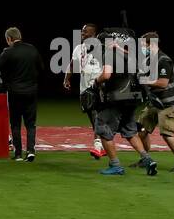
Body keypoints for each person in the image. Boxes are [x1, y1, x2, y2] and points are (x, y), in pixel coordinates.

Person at [91, 28, 154, 176]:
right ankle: (147, 159)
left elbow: (106, 75)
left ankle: (115, 165)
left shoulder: (109, 53)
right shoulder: (128, 54)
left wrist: (95, 82)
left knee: (102, 128)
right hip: (132, 98)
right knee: (130, 131)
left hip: (116, 98)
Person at [135, 31, 174, 172]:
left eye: (143, 45)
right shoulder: (148, 59)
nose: (141, 48)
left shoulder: (163, 60)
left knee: (167, 133)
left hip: (170, 103)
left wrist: (143, 80)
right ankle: (145, 158)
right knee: (141, 128)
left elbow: (163, 83)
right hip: (156, 102)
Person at [0, 27, 44, 161]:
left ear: (9, 39)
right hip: (31, 91)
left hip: (14, 92)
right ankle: (31, 150)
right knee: (30, 124)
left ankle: (17, 154)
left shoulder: (8, 51)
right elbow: (41, 68)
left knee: (15, 123)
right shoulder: (32, 49)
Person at [63, 23, 105, 159]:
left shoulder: (102, 48)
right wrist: (66, 79)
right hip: (84, 88)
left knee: (96, 115)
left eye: (85, 32)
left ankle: (98, 145)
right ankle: (102, 144)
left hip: (98, 87)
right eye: (82, 31)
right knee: (93, 118)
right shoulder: (79, 48)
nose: (83, 34)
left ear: (93, 34)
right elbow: (73, 64)